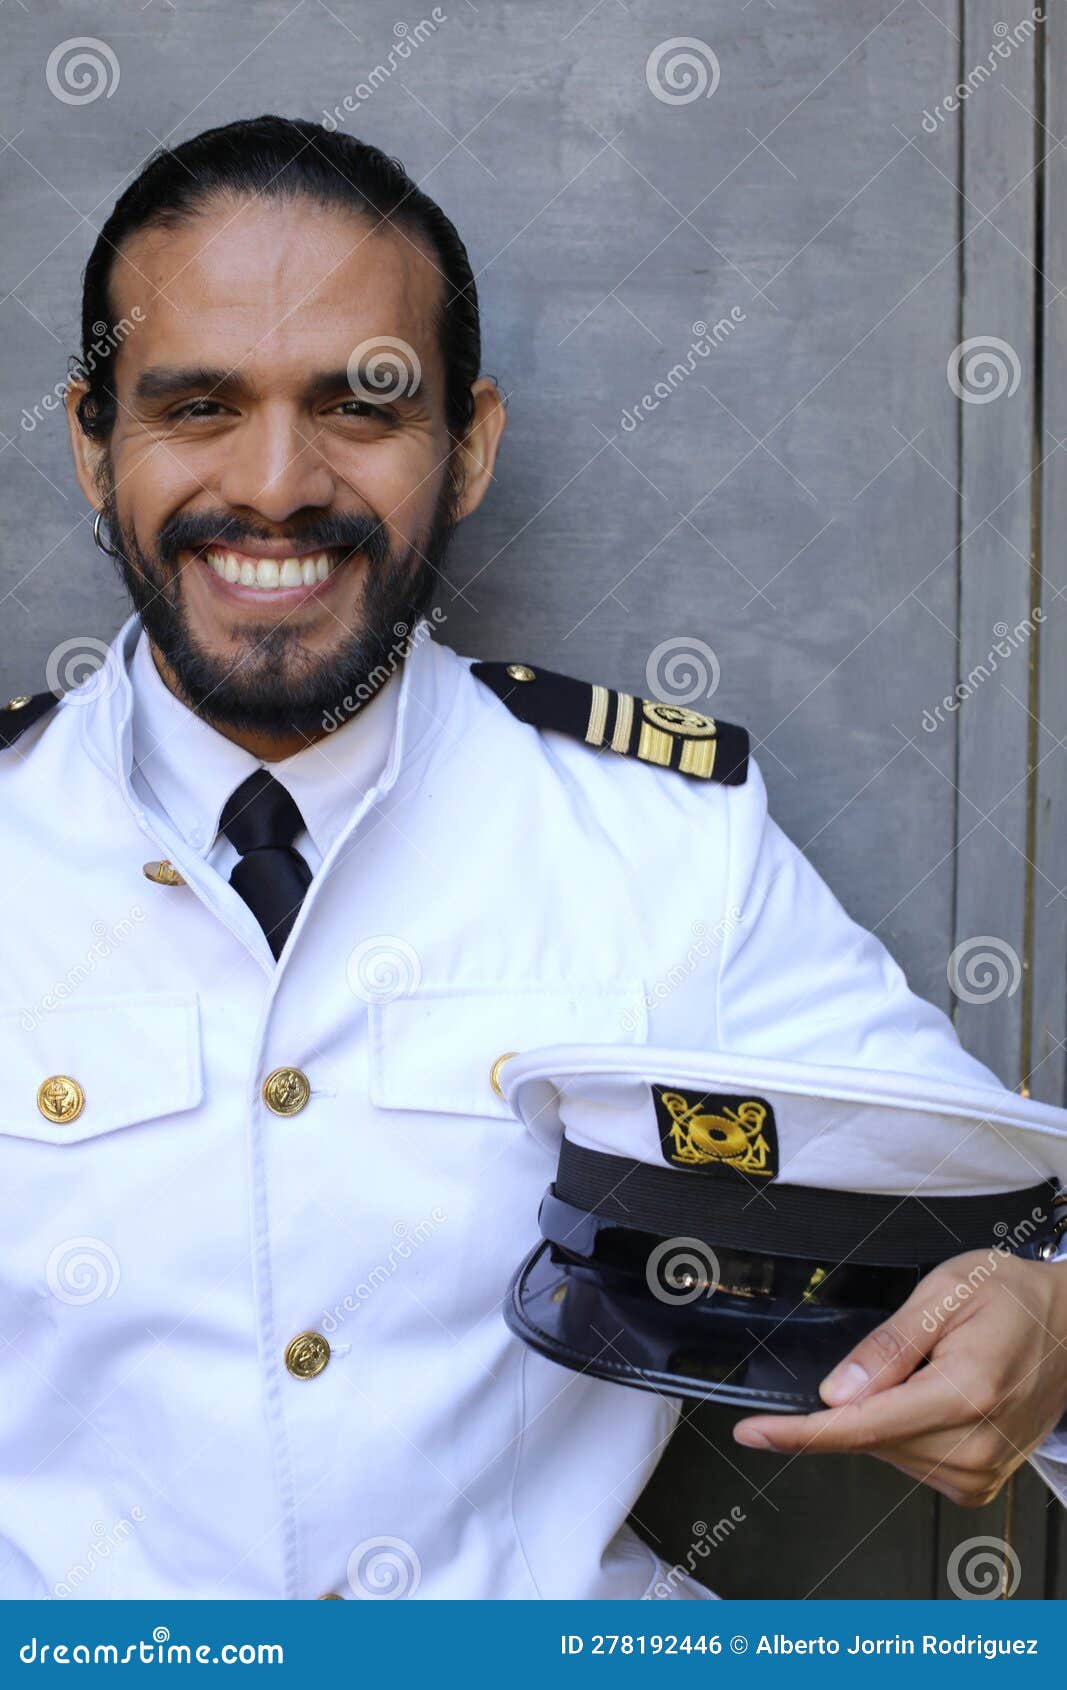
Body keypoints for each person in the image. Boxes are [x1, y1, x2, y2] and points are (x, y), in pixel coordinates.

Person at [1, 114, 1064, 1602]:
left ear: (472, 443)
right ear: (91, 441)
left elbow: (1004, 1215)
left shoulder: (662, 842)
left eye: (361, 406)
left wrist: (1043, 1317)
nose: (278, 481)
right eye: (197, 405)